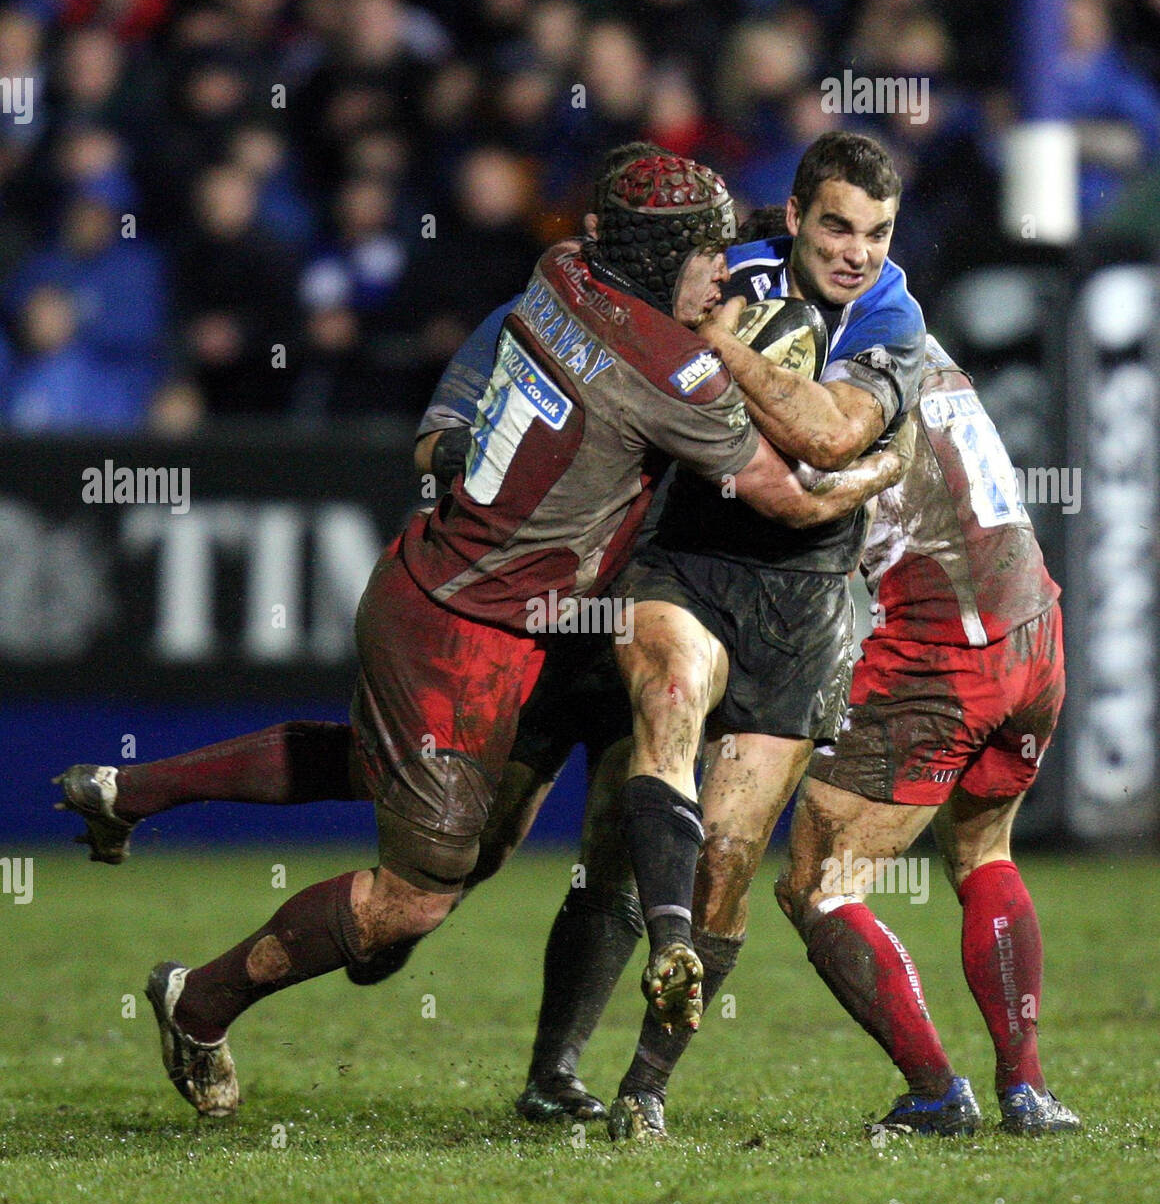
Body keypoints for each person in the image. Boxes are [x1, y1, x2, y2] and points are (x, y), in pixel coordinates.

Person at [55, 149, 854, 1119]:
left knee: (378, 768)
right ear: (661, 263)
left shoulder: (558, 274)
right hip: (466, 632)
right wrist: (876, 465)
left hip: (443, 588)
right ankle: (202, 1000)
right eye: (707, 256)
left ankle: (129, 790)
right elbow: (791, 496)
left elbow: (490, 404)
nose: (723, 275)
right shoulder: (670, 370)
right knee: (419, 892)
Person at [603, 130, 927, 1140]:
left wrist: (716, 346)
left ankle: (642, 1085)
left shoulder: (894, 322)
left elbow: (829, 436)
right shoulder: (724, 258)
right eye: (835, 224)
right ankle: (640, 964)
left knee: (731, 855)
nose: (855, 250)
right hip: (686, 560)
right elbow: (604, 275)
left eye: (875, 231)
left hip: (807, 601)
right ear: (793, 217)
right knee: (667, 702)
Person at [774, 332, 1081, 1137]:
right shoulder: (916, 338)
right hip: (1037, 630)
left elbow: (794, 503)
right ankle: (1028, 1092)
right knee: (984, 854)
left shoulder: (828, 378)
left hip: (947, 652)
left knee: (818, 885)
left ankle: (939, 1093)